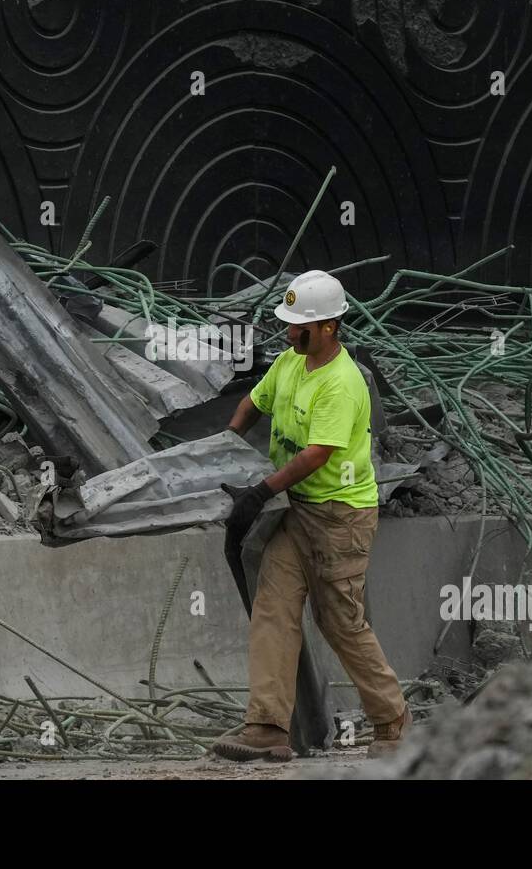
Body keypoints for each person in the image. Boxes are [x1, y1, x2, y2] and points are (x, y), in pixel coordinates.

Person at [212, 270, 411, 762]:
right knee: (273, 609)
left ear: (328, 326)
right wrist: (222, 448)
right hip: (296, 510)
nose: (289, 333)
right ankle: (266, 726)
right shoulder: (288, 363)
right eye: (289, 325)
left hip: (340, 517)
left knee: (340, 622)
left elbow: (317, 453)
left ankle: (394, 724)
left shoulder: (342, 383)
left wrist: (259, 491)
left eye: (298, 327)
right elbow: (252, 404)